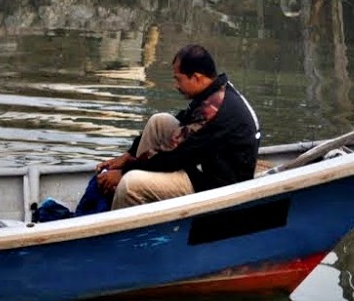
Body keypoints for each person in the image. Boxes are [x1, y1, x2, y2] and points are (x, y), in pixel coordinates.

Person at [94, 43, 261, 210]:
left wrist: (124, 172)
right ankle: (131, 192)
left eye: (178, 79)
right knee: (159, 122)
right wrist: (129, 156)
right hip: (209, 163)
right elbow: (182, 128)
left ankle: (122, 213)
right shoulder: (216, 91)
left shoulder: (214, 111)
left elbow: (173, 155)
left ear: (196, 77)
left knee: (130, 184)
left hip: (220, 188)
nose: (176, 85)